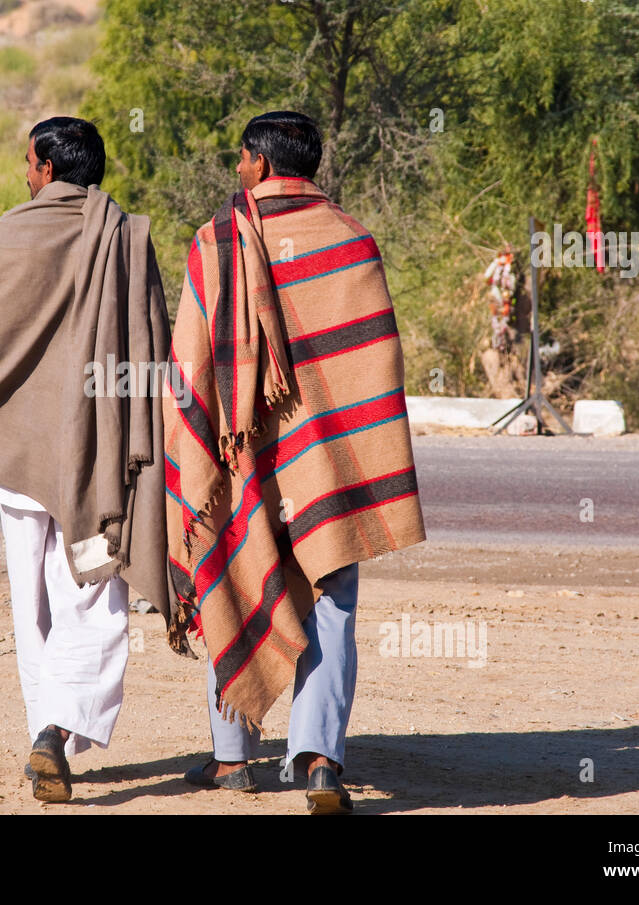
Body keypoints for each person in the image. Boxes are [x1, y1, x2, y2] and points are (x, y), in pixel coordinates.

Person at [163, 111, 426, 814]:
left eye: (241, 159)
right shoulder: (352, 241)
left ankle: (230, 761)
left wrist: (211, 445)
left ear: (257, 161)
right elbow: (371, 364)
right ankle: (317, 762)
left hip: (240, 461)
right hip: (326, 463)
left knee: (234, 575)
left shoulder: (215, 242)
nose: (237, 170)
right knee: (333, 600)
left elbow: (188, 366)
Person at [0, 117, 185, 803]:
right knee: (91, 592)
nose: (24, 173)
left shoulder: (12, 231)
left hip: (16, 458)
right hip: (103, 455)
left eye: (28, 162)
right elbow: (152, 351)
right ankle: (57, 727)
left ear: (48, 169)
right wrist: (152, 445)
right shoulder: (129, 238)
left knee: (31, 605)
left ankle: (45, 731)